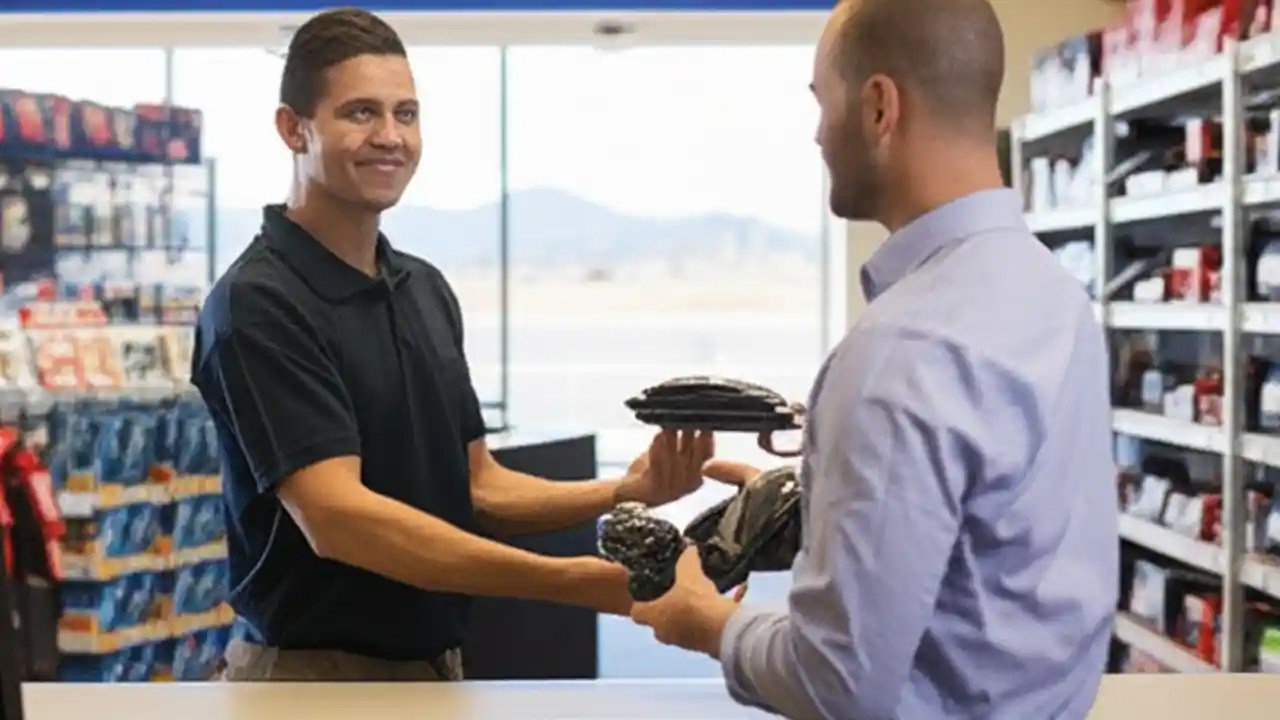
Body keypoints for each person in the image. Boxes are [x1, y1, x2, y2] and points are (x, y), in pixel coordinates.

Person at [189, 8, 712, 682]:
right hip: (312, 678)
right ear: (294, 128)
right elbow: (339, 518)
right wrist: (576, 582)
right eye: (360, 113)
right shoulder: (259, 302)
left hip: (435, 668)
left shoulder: (422, 288)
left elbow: (479, 485)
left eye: (405, 114)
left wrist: (625, 489)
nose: (390, 137)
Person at [630, 0, 1119, 718]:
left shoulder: (901, 350)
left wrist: (707, 623)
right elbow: (995, 539)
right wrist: (831, 490)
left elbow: (835, 682)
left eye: (822, 103)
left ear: (879, 107)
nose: (819, 134)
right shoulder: (1053, 295)